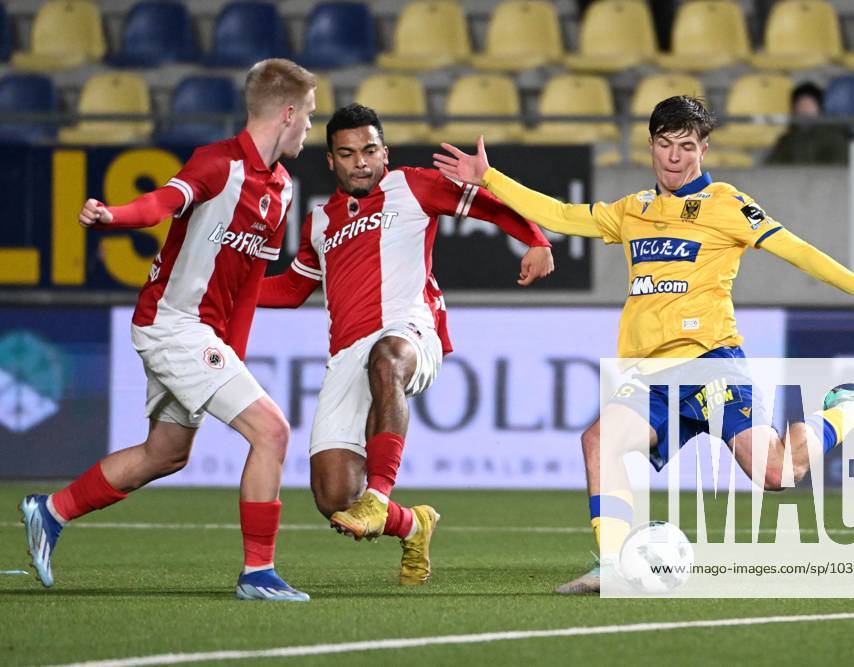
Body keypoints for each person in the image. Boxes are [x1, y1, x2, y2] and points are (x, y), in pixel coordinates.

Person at [433, 96, 854, 594]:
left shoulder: (727, 204)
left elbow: (795, 249)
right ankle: (612, 564)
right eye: (665, 145)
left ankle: (848, 408)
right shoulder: (634, 210)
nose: (674, 157)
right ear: (650, 146)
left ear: (703, 149)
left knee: (777, 474)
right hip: (652, 375)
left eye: (686, 146)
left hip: (712, 362)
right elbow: (560, 215)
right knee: (598, 440)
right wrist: (490, 179)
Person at [19, 59, 317, 601]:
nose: (310, 129)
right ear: (288, 113)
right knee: (272, 432)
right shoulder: (218, 163)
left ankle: (51, 510)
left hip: (203, 336)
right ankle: (258, 574)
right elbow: (163, 202)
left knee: (165, 454)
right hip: (173, 325)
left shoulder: (281, 188)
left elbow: (252, 285)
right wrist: (115, 216)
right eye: (310, 117)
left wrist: (236, 350)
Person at [257, 103, 554, 585]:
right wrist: (224, 293)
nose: (360, 162)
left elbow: (488, 204)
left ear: (385, 152)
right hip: (347, 354)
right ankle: (413, 524)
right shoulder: (319, 222)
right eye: (348, 154)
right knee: (333, 497)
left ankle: (380, 493)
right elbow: (291, 289)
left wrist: (537, 240)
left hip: (411, 328)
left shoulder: (412, 185)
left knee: (387, 357)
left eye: (370, 151)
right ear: (330, 161)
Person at [764, 82, 852, 166]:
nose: (804, 109)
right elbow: (773, 166)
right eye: (800, 105)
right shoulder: (786, 140)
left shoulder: (835, 136)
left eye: (809, 104)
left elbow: (839, 166)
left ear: (819, 108)